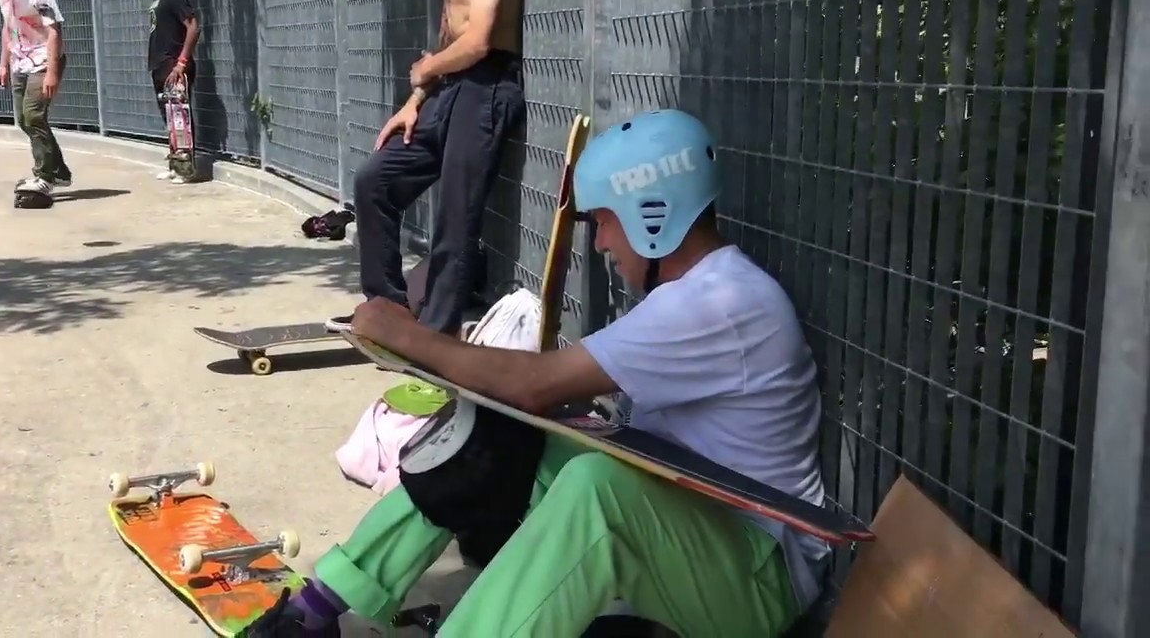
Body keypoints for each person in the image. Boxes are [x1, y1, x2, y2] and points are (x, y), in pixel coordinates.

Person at [243, 109, 831, 637]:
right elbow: (525, 396)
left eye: (603, 220)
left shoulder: (719, 303)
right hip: (700, 538)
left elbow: (535, 380)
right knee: (504, 427)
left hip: (760, 580)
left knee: (596, 489)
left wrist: (405, 334)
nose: (599, 242)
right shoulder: (699, 293)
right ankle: (320, 607)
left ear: (652, 212)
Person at [324, 0, 526, 336]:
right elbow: (451, 37)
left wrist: (425, 69)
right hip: (450, 87)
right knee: (375, 181)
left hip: (485, 85)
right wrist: (415, 101)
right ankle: (387, 309)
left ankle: (435, 334)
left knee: (456, 216)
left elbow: (480, 40)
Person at [0, 0, 72, 194]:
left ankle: (43, 175)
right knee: (24, 121)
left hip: (43, 61)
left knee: (35, 116)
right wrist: (3, 63)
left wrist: (52, 73)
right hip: (19, 62)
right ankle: (59, 172)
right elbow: (8, 27)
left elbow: (54, 31)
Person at [146, 0, 200, 182]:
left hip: (173, 65)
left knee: (180, 116)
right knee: (170, 116)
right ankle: (175, 163)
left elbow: (193, 26)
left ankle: (186, 169)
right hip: (160, 65)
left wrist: (182, 62)